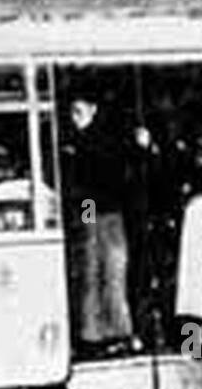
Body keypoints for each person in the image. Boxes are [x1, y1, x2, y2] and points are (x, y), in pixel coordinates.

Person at [61, 91, 147, 358]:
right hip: (101, 213)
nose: (75, 119)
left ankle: (109, 332)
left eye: (79, 111)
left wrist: (87, 218)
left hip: (103, 213)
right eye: (72, 113)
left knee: (104, 271)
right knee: (96, 271)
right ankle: (100, 332)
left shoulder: (94, 141)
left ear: (93, 108)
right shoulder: (87, 140)